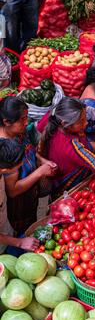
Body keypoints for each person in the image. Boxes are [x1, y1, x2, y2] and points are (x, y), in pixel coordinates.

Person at [37, 97, 95, 199]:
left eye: (85, 118)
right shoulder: (72, 146)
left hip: (59, 176)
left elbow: (39, 127)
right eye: (81, 121)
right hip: (67, 187)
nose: (86, 123)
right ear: (65, 124)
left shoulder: (53, 116)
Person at [0, 96, 56, 233]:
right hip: (19, 207)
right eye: (22, 119)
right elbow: (12, 191)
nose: (26, 123)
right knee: (25, 231)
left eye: (26, 117)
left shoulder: (18, 131)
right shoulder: (4, 152)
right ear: (6, 122)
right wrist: (40, 172)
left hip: (31, 193)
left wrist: (42, 160)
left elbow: (29, 148)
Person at [0, 138, 39, 254]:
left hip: (7, 230)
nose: (22, 164)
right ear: (6, 170)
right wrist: (19, 242)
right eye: (19, 164)